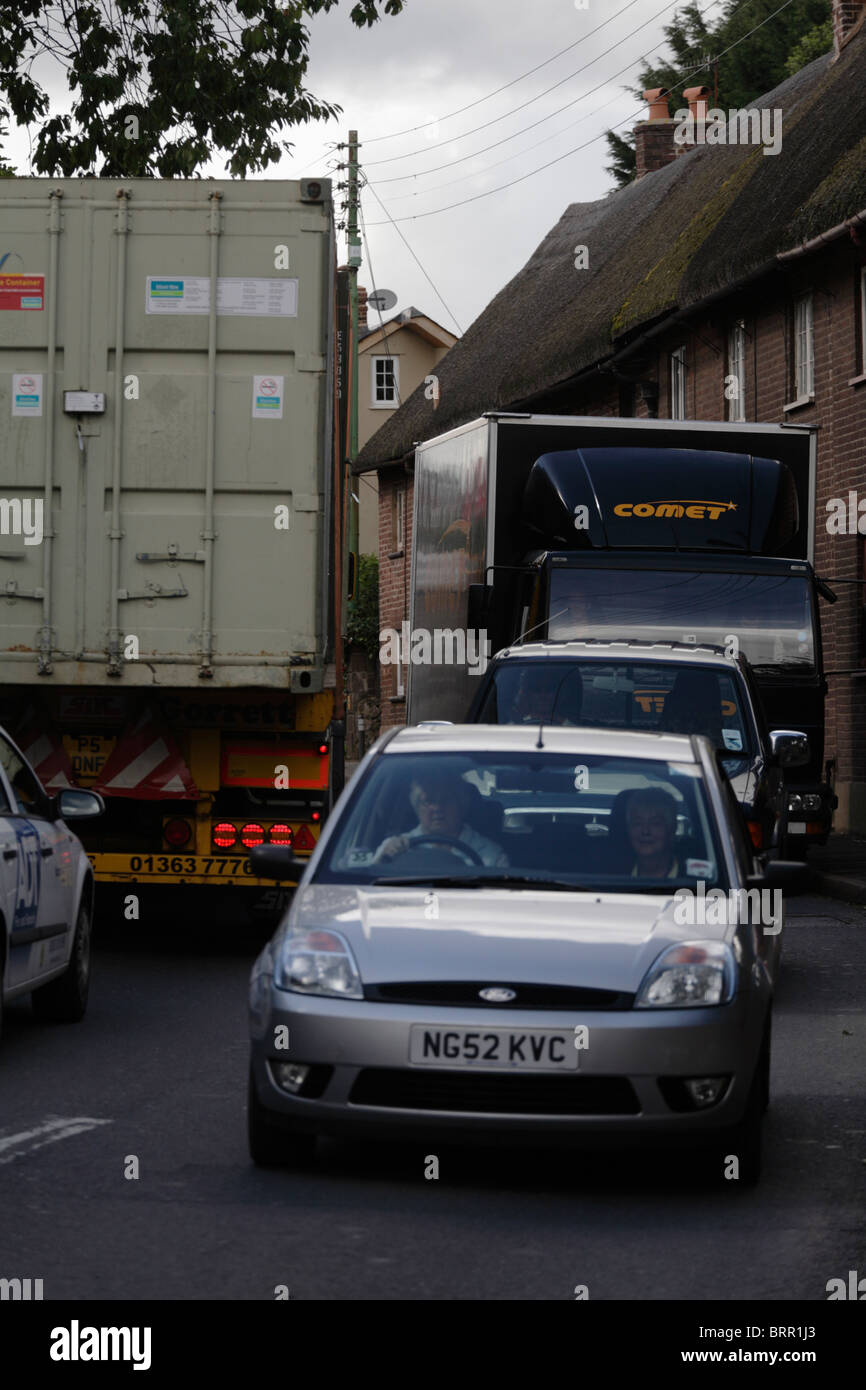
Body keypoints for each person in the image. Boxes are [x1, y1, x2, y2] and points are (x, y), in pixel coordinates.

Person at [373, 772, 508, 866]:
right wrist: (384, 859)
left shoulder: (491, 855)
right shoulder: (394, 848)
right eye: (428, 801)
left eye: (446, 800)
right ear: (417, 807)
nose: (437, 807)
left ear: (461, 804)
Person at [625, 788, 681, 878]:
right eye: (637, 823)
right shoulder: (612, 876)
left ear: (672, 829)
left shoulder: (695, 881)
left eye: (655, 823)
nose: (645, 831)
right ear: (628, 829)